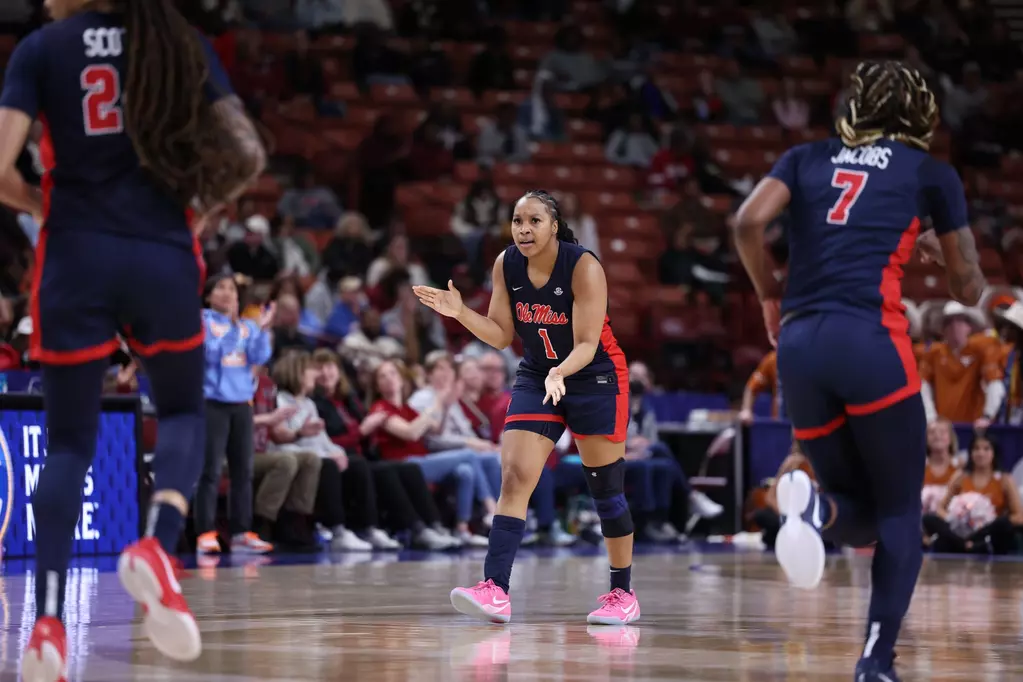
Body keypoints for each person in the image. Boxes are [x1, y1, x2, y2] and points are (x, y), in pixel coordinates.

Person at [0, 0, 267, 678]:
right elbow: (245, 154)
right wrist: (196, 215)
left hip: (74, 256)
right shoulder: (175, 39)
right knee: (180, 411)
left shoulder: (41, 47)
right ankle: (155, 544)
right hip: (161, 251)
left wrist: (40, 204)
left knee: (67, 444)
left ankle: (48, 631)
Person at [733, 61, 986, 682]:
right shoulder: (932, 174)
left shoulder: (803, 157)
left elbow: (745, 222)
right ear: (920, 113)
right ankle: (875, 662)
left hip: (798, 348)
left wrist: (769, 292)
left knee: (861, 512)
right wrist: (938, 250)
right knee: (902, 511)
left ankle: (814, 509)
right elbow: (969, 287)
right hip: (872, 343)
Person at [414, 189, 640, 625]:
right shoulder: (507, 264)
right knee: (515, 476)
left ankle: (621, 592)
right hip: (538, 374)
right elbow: (500, 335)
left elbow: (588, 342)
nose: (524, 229)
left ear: (554, 226)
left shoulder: (584, 267)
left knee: (605, 489)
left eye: (534, 220)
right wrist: (460, 312)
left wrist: (562, 373)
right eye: (518, 221)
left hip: (594, 375)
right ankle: (495, 587)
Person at [193, 274, 275, 556]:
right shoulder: (202, 321)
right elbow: (213, 354)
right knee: (210, 470)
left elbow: (259, 357)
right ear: (209, 296)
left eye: (232, 289)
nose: (228, 293)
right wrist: (234, 328)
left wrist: (262, 330)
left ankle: (241, 532)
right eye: (221, 288)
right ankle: (205, 533)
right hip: (212, 402)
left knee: (243, 471)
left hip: (242, 403)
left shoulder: (247, 327)